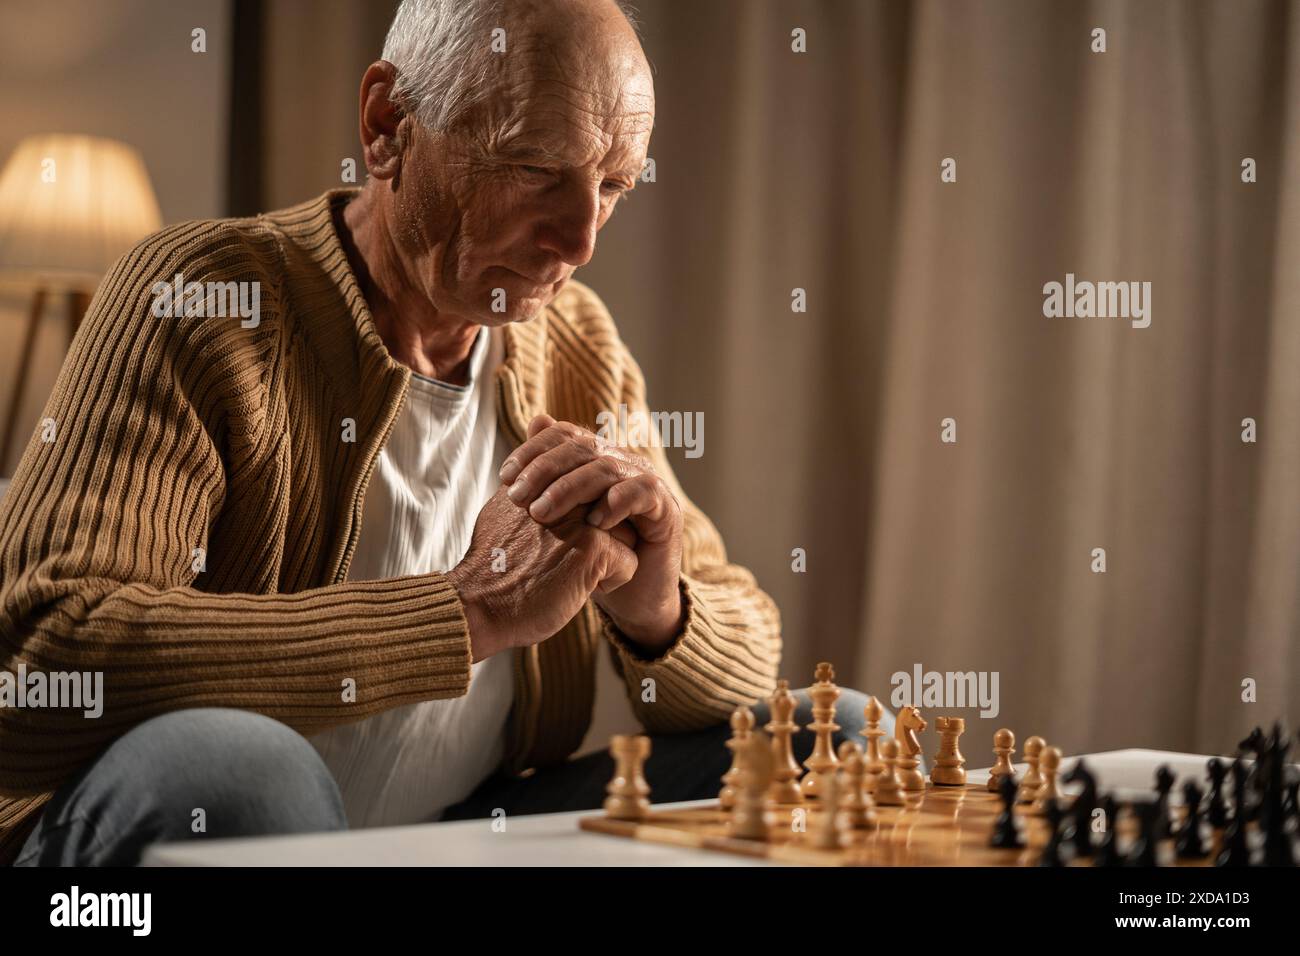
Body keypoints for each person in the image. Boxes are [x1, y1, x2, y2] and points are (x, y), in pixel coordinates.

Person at [0, 0, 885, 866]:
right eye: (538, 167)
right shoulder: (200, 299)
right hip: (180, 824)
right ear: (388, 124)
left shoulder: (578, 346)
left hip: (457, 830)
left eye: (612, 185)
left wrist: (655, 606)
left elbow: (748, 640)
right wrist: (470, 611)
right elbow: (41, 654)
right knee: (245, 773)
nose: (580, 238)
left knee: (831, 735)